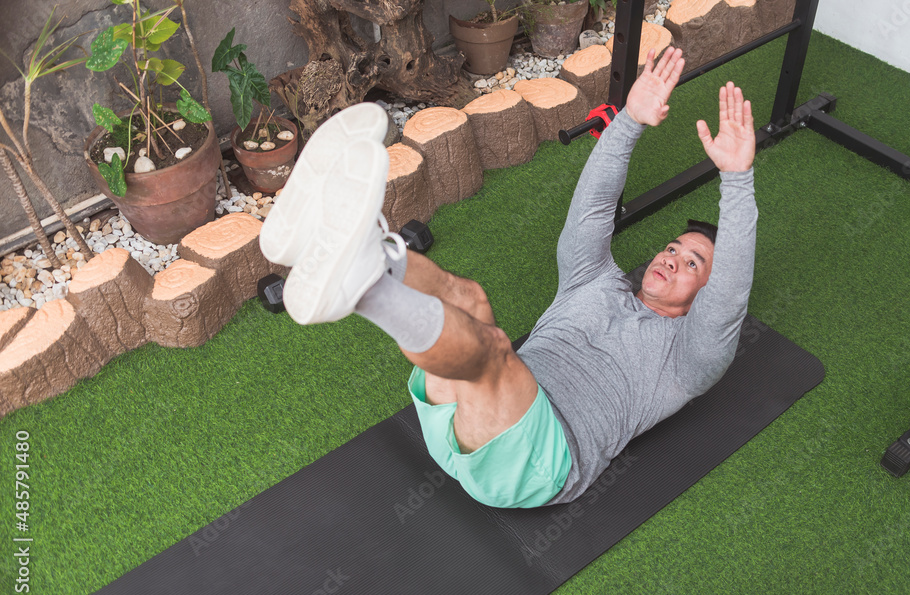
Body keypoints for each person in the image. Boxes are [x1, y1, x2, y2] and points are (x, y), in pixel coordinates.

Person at [259, 46, 759, 509]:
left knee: (495, 349)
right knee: (469, 298)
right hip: (463, 418)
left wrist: (736, 177)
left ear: (705, 296)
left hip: (535, 465)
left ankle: (364, 286)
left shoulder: (690, 358)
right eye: (673, 247)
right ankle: (361, 252)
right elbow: (592, 210)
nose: (671, 258)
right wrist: (628, 121)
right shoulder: (594, 280)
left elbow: (731, 292)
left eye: (693, 263)